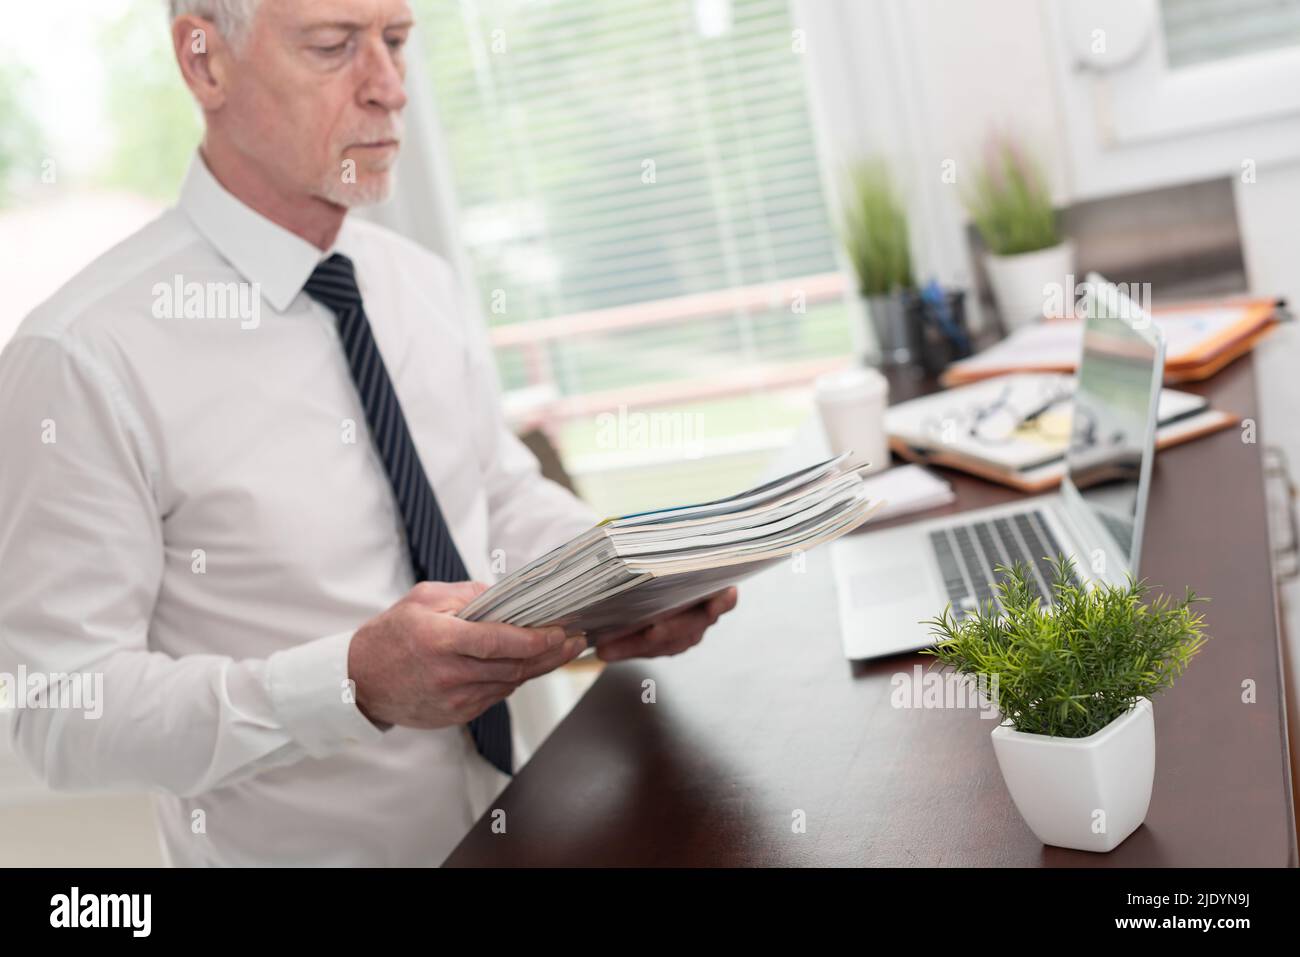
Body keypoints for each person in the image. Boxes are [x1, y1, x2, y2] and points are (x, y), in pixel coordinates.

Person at [0, 0, 737, 866]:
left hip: (523, 826)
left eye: (396, 40)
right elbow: (58, 709)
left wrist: (624, 581)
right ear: (203, 60)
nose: (389, 87)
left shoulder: (419, 281)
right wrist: (350, 683)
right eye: (333, 45)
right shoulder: (82, 356)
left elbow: (491, 494)